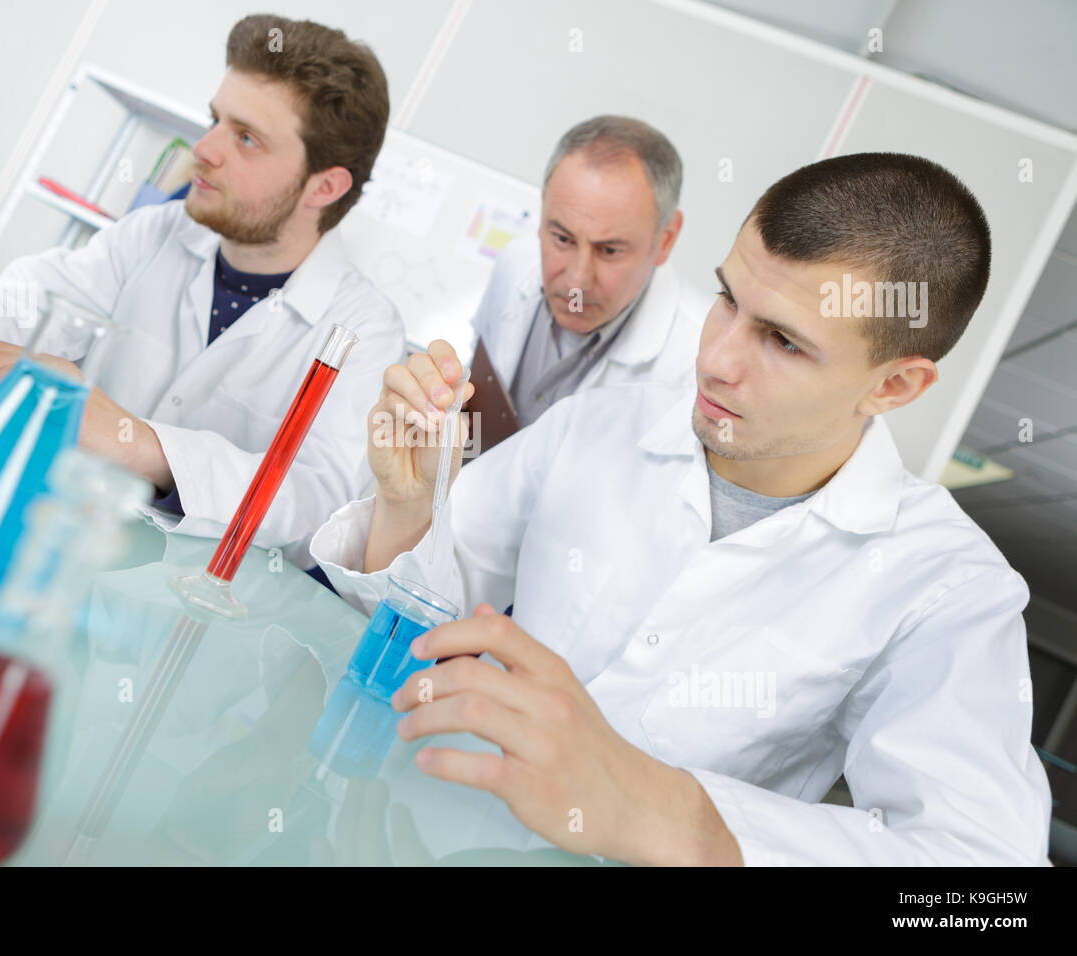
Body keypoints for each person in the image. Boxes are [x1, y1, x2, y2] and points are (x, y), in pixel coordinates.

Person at [310, 152, 1053, 865]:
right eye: (729, 298)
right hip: (405, 830)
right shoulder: (599, 426)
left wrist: (660, 809)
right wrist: (407, 507)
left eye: (784, 342)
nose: (718, 359)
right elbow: (417, 614)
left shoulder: (944, 587)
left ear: (893, 386)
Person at [0, 14, 404, 569]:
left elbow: (321, 507)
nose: (205, 148)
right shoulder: (159, 230)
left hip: (191, 619)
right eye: (215, 120)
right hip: (54, 549)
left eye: (246, 138)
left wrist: (141, 444)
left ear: (324, 186)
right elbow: (37, 297)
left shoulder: (365, 327)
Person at [467, 115, 706, 443]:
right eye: (562, 239)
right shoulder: (515, 262)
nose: (577, 281)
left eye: (609, 250)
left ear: (665, 239)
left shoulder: (694, 366)